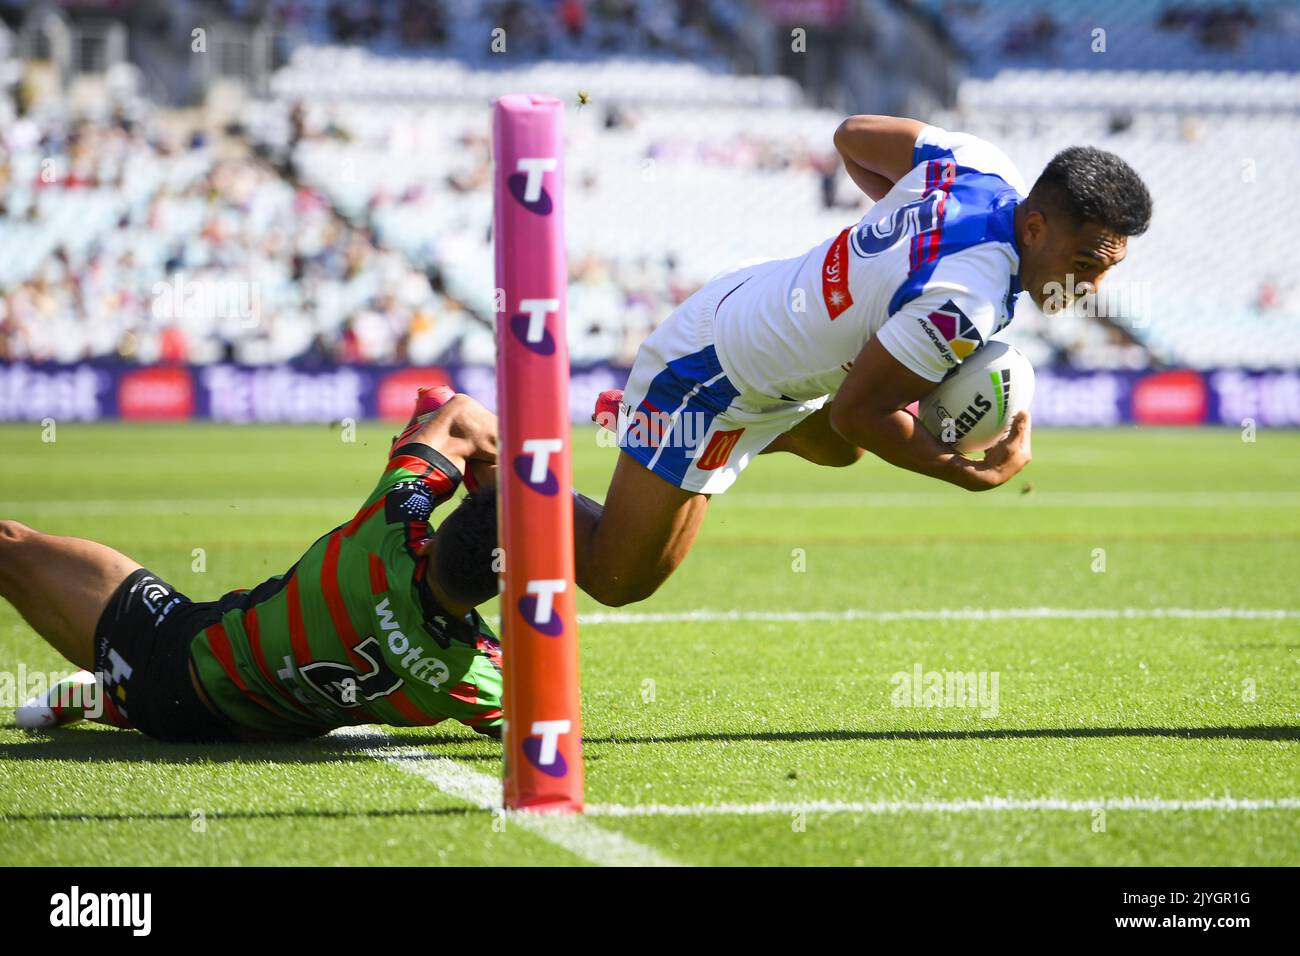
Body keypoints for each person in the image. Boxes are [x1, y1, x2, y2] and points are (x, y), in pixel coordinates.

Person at [577, 116, 1153, 606]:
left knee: (839, 449)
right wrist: (965, 471)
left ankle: (679, 433)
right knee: (618, 578)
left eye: (1108, 269)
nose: (1094, 285)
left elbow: (851, 134)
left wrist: (899, 236)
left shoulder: (979, 163)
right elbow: (859, 412)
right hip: (705, 376)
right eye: (1085, 263)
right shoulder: (962, 303)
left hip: (756, 304)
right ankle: (510, 483)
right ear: (1034, 228)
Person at [5, 388, 507, 742]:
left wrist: (527, 480)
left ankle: (106, 689)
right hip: (236, 726)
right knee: (173, 696)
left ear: (430, 542)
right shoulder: (477, 672)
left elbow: (457, 415)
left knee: (10, 545)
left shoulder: (387, 534)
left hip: (171, 652)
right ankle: (100, 696)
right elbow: (543, 717)